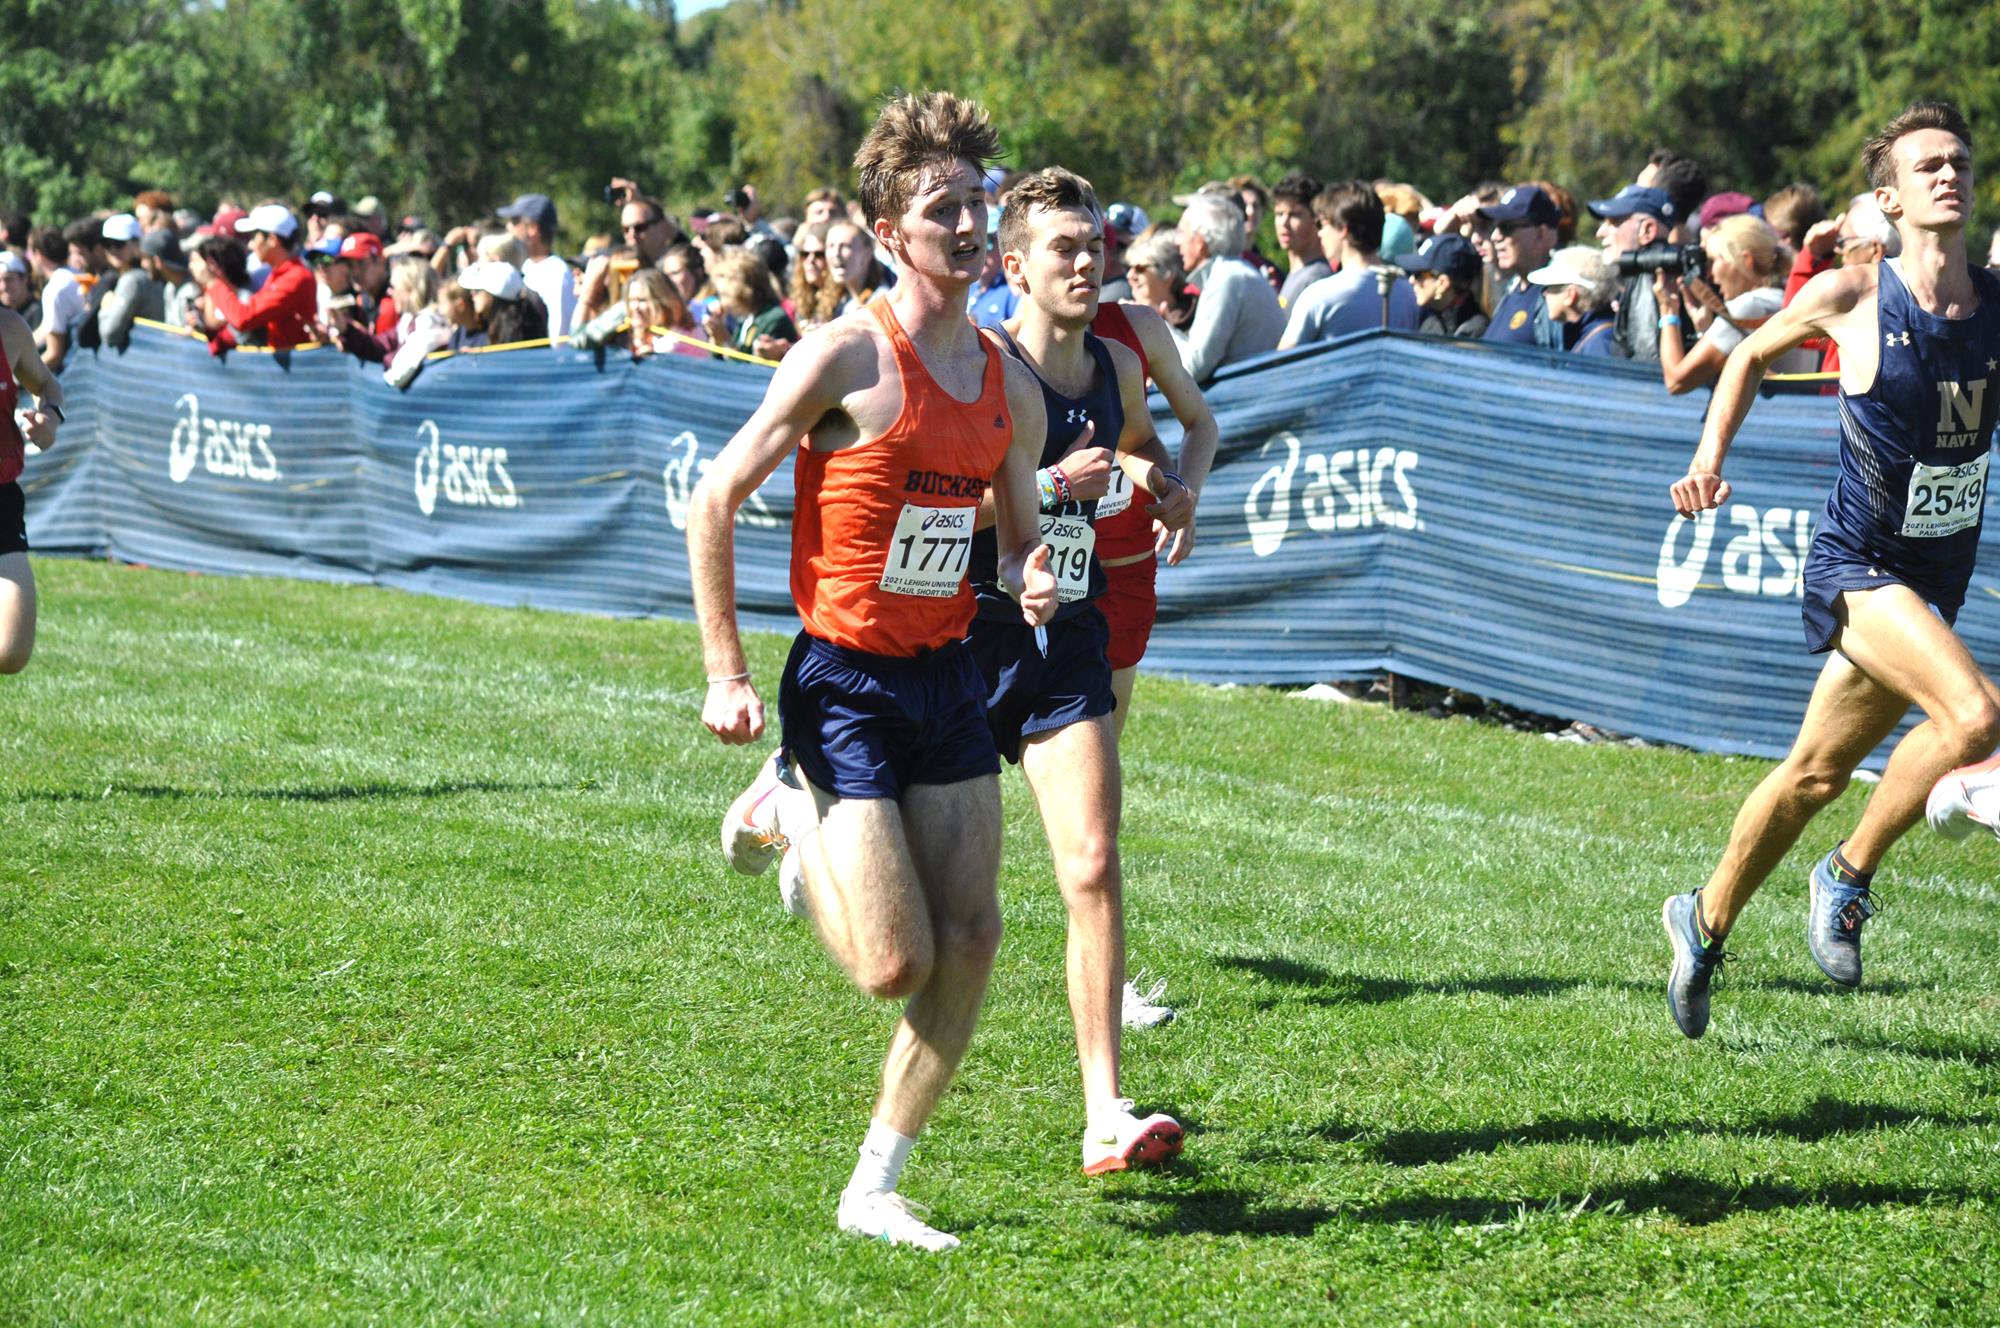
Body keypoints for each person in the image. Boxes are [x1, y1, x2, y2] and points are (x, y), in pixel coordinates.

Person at [689, 90, 1057, 1253]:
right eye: (938, 207)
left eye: (974, 201)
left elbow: (1014, 538)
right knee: (896, 963)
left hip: (945, 679)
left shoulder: (1005, 379)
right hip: (840, 683)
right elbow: (715, 498)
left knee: (978, 935)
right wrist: (723, 672)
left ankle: (873, 1185)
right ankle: (793, 822)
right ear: (891, 233)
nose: (963, 221)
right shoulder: (845, 353)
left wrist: (1032, 567)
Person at [1662, 101, 2000, 1040]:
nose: (1949, 174)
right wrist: (1708, 460)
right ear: (1887, 199)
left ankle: (1704, 918)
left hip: (1936, 576)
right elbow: (1744, 361)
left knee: (1813, 774)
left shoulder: (1996, 303)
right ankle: (1847, 875)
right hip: (1858, 564)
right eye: (1927, 165)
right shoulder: (1853, 296)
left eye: (1961, 162)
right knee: (1973, 717)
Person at [969, 165, 1196, 1173]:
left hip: (1065, 624)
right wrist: (1052, 484)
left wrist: (1156, 477)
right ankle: (801, 794)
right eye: (1062, 247)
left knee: (1092, 862)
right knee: (931, 929)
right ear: (1012, 264)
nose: (1084, 260)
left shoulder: (1117, 360)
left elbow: (1141, 446)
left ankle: (1104, 1110)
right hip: (955, 636)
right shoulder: (982, 365)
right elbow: (917, 513)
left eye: (1093, 243)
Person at [1656, 215, 1818, 392]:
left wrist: (1668, 312)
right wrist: (1704, 329)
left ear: (1746, 260)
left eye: (1714, 261)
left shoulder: (1749, 306)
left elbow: (1676, 381)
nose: (1709, 274)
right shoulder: (1787, 298)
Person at [1277, 181, 1420, 348]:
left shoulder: (1319, 295)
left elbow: (1280, 365)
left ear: (1343, 229)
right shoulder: (1407, 292)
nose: (1320, 233)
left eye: (1322, 224)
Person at [0, 303, 64, 674]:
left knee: (11, 650)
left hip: (2, 498)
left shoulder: (9, 326)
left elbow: (46, 384)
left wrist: (50, 419)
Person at [1175, 193, 1284, 384]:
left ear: (1199, 242)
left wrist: (1153, 326)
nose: (1177, 242)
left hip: (1247, 403)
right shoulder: (1235, 273)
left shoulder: (1226, 280)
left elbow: (1193, 368)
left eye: (1181, 232)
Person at [197, 205, 317, 351]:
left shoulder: (295, 277)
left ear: (272, 239)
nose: (251, 244)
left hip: (301, 370)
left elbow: (243, 318)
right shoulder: (280, 275)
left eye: (255, 236)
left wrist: (214, 283)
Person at [1480, 185, 1563, 347]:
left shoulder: (1558, 296)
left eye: (1507, 228)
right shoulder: (1513, 288)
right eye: (1494, 227)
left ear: (1541, 234)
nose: (1495, 236)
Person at [701, 249, 798, 359]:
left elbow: (748, 371)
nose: (721, 302)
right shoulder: (747, 318)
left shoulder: (773, 320)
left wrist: (726, 341)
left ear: (743, 292)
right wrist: (716, 340)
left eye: (724, 295)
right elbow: (718, 367)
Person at [1524, 245, 1617, 354]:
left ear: (1571, 295)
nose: (1545, 293)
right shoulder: (1595, 336)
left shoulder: (1600, 343)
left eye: (1549, 287)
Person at [1397, 233, 1489, 338]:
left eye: (1418, 274)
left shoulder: (1475, 332)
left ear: (1442, 283)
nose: (1411, 280)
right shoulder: (1430, 320)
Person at [95, 213, 165, 350]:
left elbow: (109, 333)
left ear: (137, 242)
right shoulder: (142, 275)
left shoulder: (132, 280)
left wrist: (105, 309)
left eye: (118, 243)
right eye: (106, 244)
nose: (112, 249)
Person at [27, 226, 83, 371]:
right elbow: (46, 328)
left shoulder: (55, 289)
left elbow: (54, 354)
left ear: (38, 255)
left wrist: (15, 379)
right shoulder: (76, 275)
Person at [1270, 173, 1330, 309]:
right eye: (1279, 214)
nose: (1283, 223)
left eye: (1294, 215)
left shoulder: (1317, 279)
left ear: (1317, 220)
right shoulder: (1297, 274)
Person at [1121, 229, 1195, 337]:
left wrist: (1158, 323)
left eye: (1139, 268)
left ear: (1168, 273)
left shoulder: (1195, 315)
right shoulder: (1126, 314)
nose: (1130, 275)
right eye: (1129, 267)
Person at [620, 268, 705, 358]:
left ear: (663, 302)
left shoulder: (679, 337)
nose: (634, 307)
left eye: (642, 300)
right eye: (631, 300)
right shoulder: (650, 333)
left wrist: (649, 355)